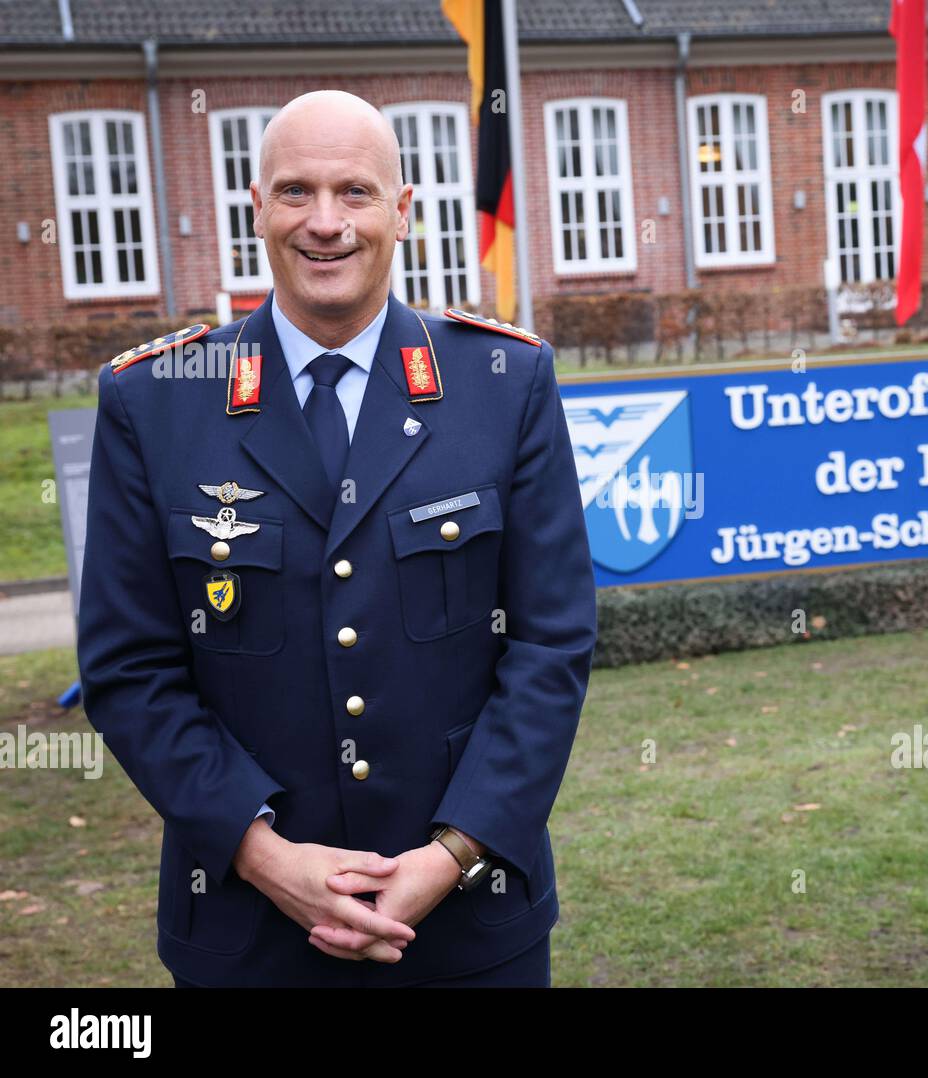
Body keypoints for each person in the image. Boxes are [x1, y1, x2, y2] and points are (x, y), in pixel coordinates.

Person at [76, 90, 598, 987]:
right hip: (250, 936)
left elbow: (552, 647)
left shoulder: (504, 383)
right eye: (295, 193)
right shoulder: (156, 401)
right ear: (257, 210)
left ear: (401, 214)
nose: (325, 224)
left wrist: (452, 857)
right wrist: (266, 858)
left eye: (355, 192)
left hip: (470, 930)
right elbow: (129, 671)